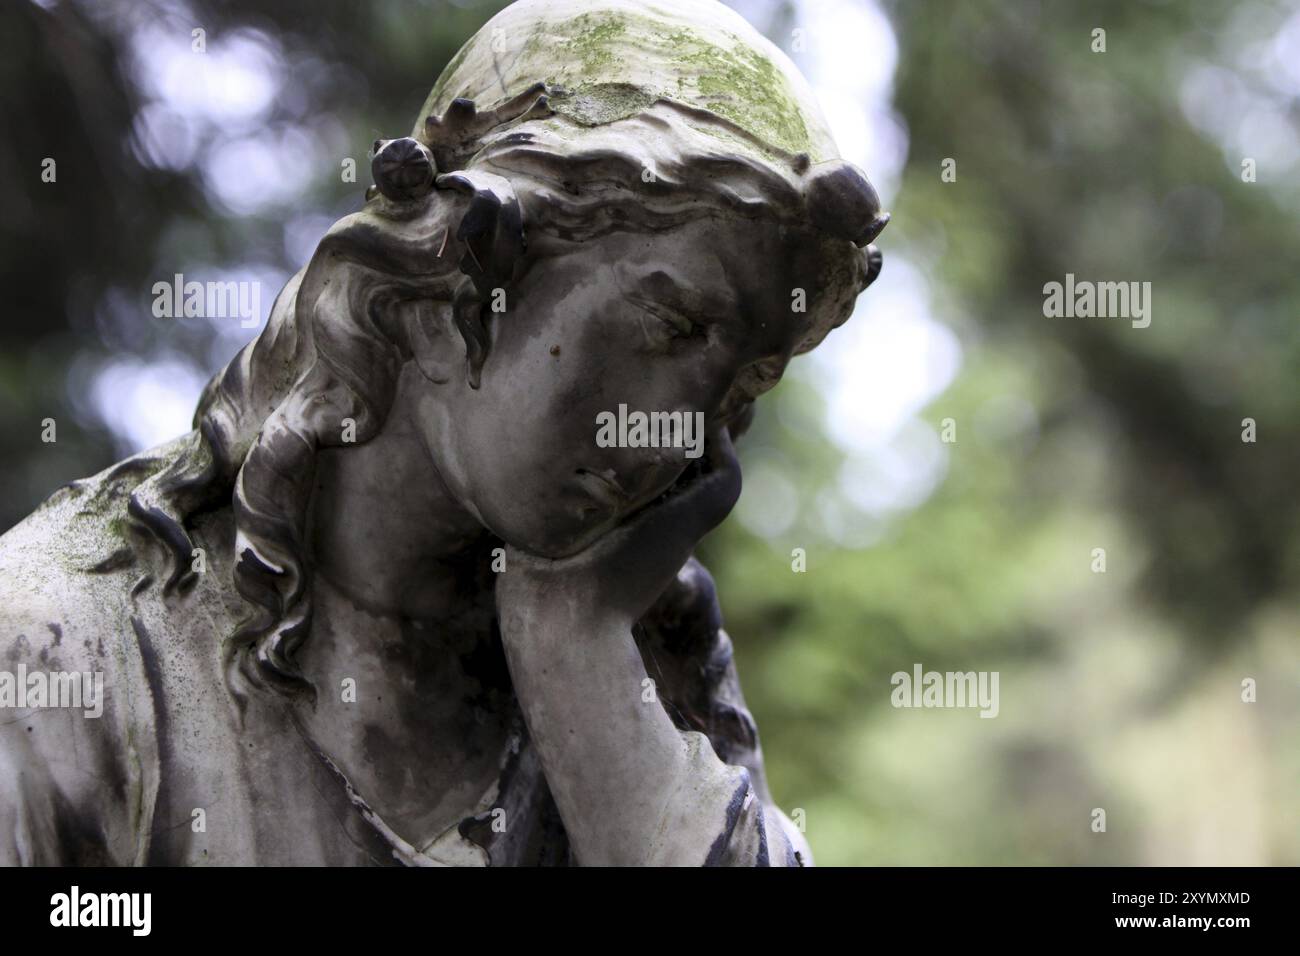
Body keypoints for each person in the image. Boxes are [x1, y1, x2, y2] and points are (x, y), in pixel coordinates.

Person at [0, 0, 886, 865]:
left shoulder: (655, 662)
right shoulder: (63, 653)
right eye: (671, 325)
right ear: (457, 281)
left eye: (742, 383)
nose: (681, 434)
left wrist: (578, 662)